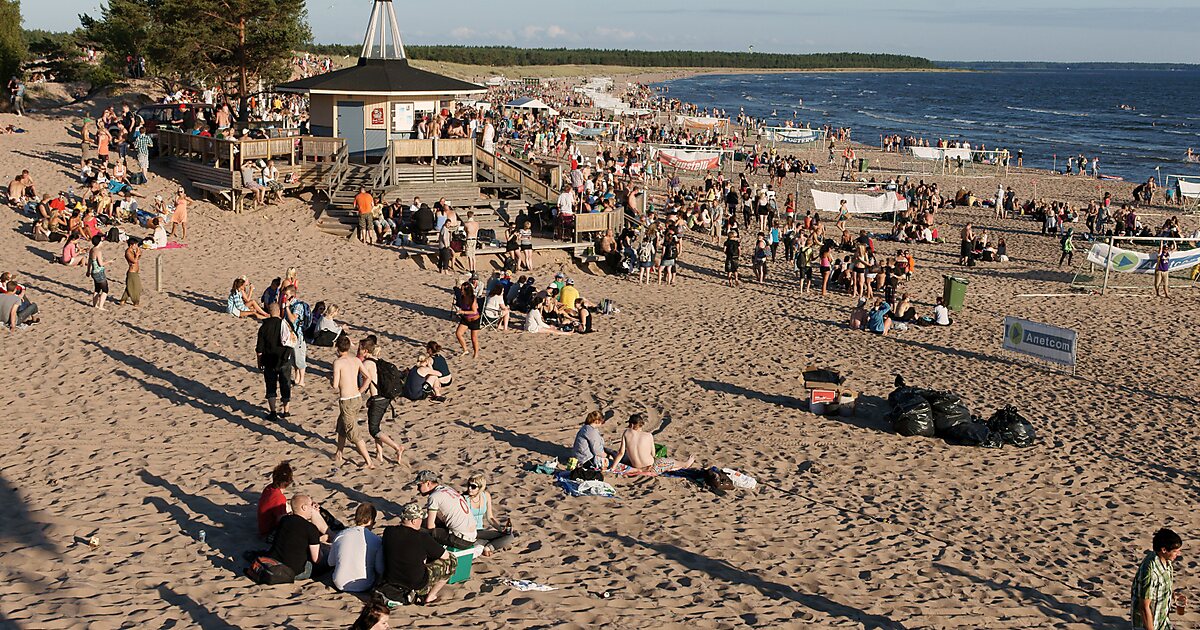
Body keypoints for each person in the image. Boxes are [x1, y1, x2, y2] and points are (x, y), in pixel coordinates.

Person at [379, 502, 455, 606]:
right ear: (414, 521)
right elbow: (445, 556)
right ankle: (431, 596)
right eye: (420, 519)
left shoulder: (389, 531)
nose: (421, 521)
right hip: (416, 584)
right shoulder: (422, 537)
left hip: (392, 580)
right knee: (452, 560)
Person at [359, 337, 405, 466]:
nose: (358, 351)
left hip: (377, 399)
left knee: (373, 430)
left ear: (365, 350)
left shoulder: (366, 364)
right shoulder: (377, 360)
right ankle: (379, 454)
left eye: (360, 348)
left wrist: (359, 391)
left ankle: (397, 447)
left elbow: (365, 381)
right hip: (385, 397)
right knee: (377, 426)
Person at [331, 335, 375, 470]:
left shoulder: (338, 362)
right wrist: (360, 390)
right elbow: (368, 377)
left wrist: (332, 379)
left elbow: (335, 385)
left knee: (353, 432)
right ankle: (339, 453)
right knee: (342, 425)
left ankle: (369, 461)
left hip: (347, 401)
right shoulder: (356, 360)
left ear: (337, 348)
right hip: (356, 399)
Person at [1131, 528, 1185, 630]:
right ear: (1164, 550)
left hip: (1163, 621)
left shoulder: (1166, 560)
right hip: (1150, 624)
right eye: (1175, 551)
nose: (1178, 554)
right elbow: (1144, 606)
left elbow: (1160, 586)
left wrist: (1173, 595)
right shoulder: (1150, 571)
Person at [611, 413, 694, 475]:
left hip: (636, 467)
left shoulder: (626, 433)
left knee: (627, 456)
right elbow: (653, 454)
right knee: (670, 461)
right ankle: (685, 464)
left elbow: (621, 453)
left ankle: (675, 467)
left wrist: (613, 467)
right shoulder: (648, 435)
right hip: (651, 467)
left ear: (631, 424)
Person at [328, 503, 385, 593]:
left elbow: (331, 562)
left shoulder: (341, 534)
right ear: (371, 521)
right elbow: (379, 569)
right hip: (365, 584)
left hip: (339, 583)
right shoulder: (377, 540)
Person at [414, 470, 477, 549]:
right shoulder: (448, 489)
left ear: (428, 483)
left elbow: (430, 526)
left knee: (418, 530)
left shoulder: (434, 496)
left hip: (461, 540)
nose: (417, 489)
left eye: (419, 485)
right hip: (472, 535)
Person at [266, 494, 324, 580]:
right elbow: (316, 559)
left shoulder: (284, 520)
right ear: (304, 507)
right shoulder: (310, 528)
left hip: (275, 565)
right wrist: (321, 547)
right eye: (311, 505)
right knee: (327, 558)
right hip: (294, 572)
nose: (313, 508)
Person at [256, 302, 293, 421]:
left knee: (271, 386)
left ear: (269, 312)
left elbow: (259, 349)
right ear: (279, 312)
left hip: (269, 360)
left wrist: (259, 362)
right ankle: (286, 411)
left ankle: (273, 412)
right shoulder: (285, 325)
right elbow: (292, 341)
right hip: (284, 359)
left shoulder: (264, 327)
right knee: (285, 384)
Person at [464, 474, 515, 557]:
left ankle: (488, 547)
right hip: (469, 531)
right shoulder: (464, 499)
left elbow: (490, 517)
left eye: (473, 486)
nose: (469, 488)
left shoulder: (486, 496)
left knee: (509, 536)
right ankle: (488, 545)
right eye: (468, 485)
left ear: (480, 488)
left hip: (480, 531)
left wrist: (501, 529)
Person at [257, 461, 294, 537]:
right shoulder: (279, 498)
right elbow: (282, 520)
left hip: (264, 526)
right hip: (269, 531)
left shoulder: (269, 488)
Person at [454, 280, 480, 359]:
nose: (461, 291)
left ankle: (476, 353)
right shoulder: (462, 297)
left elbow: (474, 311)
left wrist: (463, 312)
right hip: (466, 318)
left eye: (462, 289)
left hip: (474, 319)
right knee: (458, 333)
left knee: (473, 338)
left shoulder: (472, 299)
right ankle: (465, 349)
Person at [118, 238, 142, 307]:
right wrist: (137, 255)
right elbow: (134, 261)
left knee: (129, 287)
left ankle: (123, 300)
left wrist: (139, 254)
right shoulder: (128, 252)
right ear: (131, 245)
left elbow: (137, 259)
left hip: (135, 272)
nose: (136, 246)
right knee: (137, 287)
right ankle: (135, 302)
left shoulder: (133, 251)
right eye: (135, 245)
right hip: (132, 272)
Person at [87, 235, 109, 310]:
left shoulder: (92, 250)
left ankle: (95, 305)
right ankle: (101, 306)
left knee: (97, 289)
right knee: (105, 290)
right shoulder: (98, 251)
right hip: (99, 272)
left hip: (93, 272)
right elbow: (101, 264)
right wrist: (109, 262)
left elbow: (89, 261)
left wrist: (88, 271)